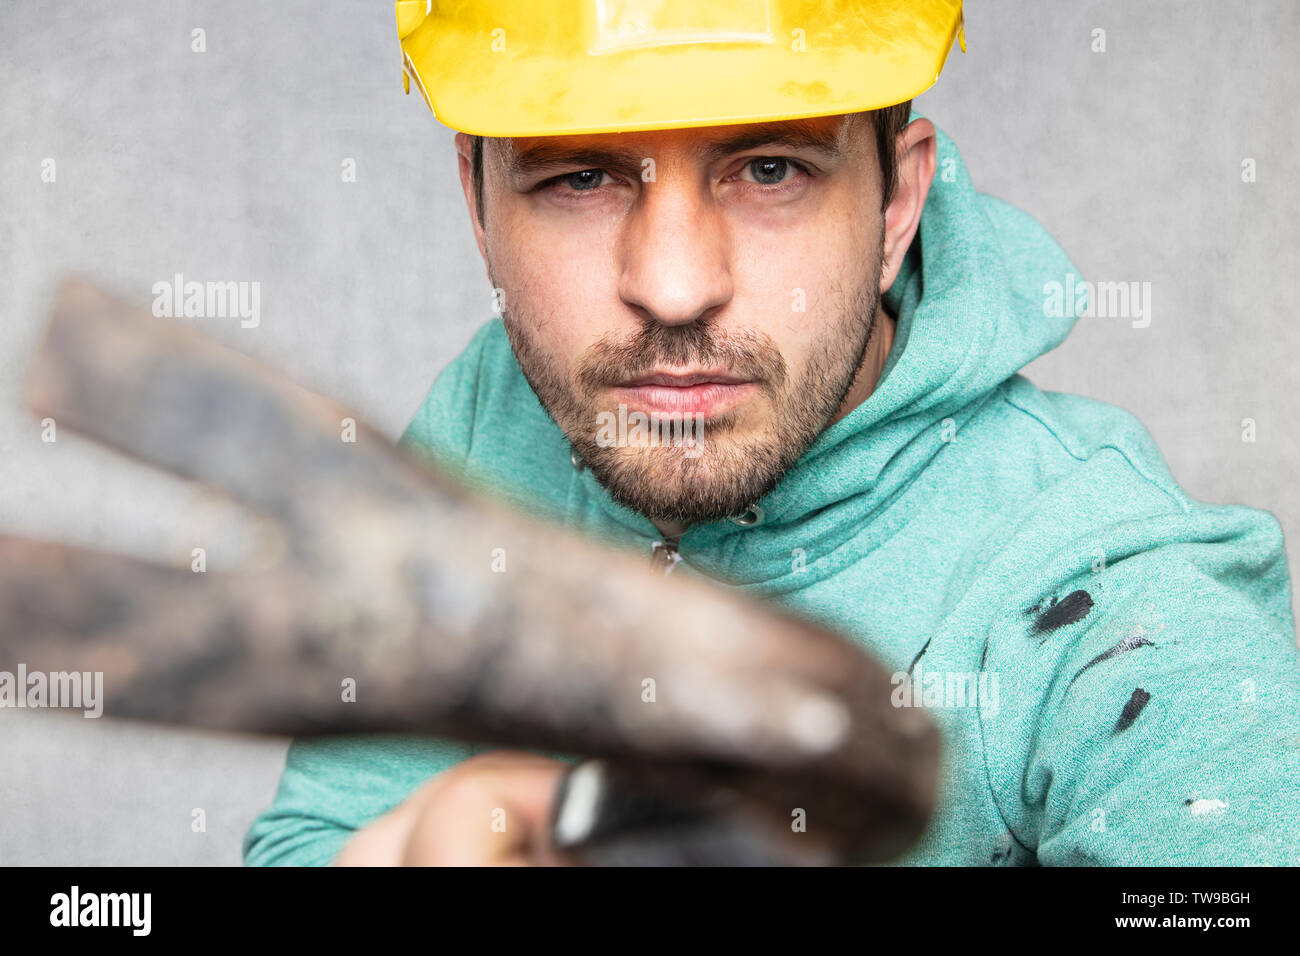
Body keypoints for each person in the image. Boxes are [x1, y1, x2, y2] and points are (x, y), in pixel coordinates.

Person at [244, 0, 1300, 865]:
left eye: (769, 169)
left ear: (897, 206)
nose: (670, 287)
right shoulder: (491, 423)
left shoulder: (1112, 606)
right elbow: (313, 834)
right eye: (581, 174)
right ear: (477, 206)